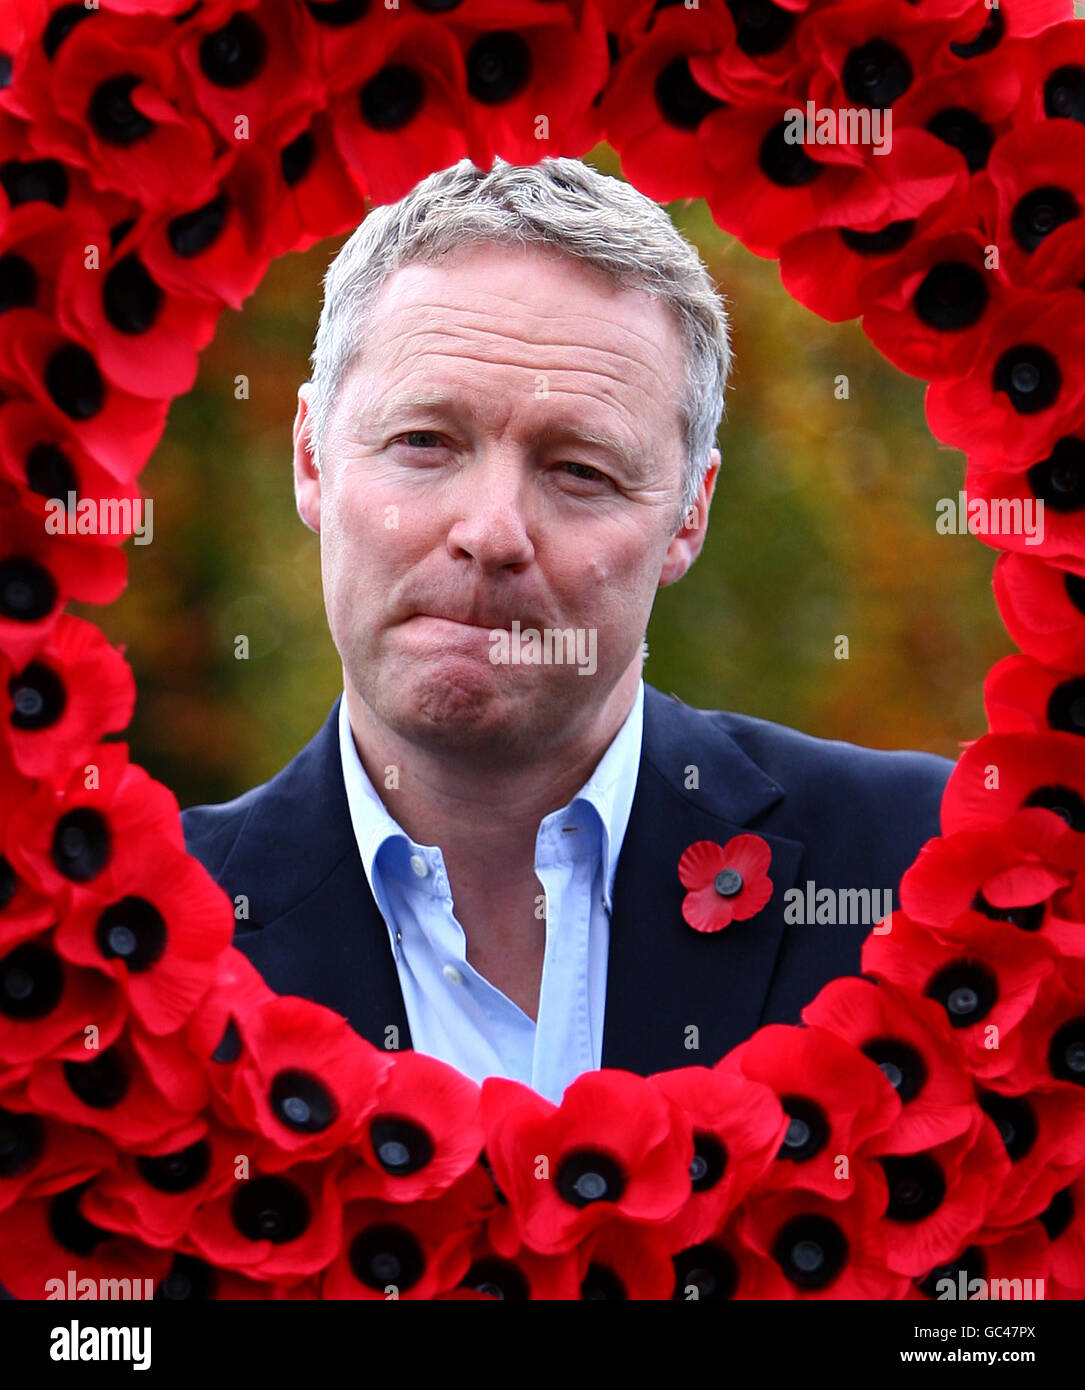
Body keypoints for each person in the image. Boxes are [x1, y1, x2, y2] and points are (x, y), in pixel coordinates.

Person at [181, 155, 951, 1104]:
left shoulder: (931, 878)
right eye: (425, 442)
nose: (492, 532)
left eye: (579, 470)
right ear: (311, 458)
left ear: (688, 515)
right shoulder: (133, 941)